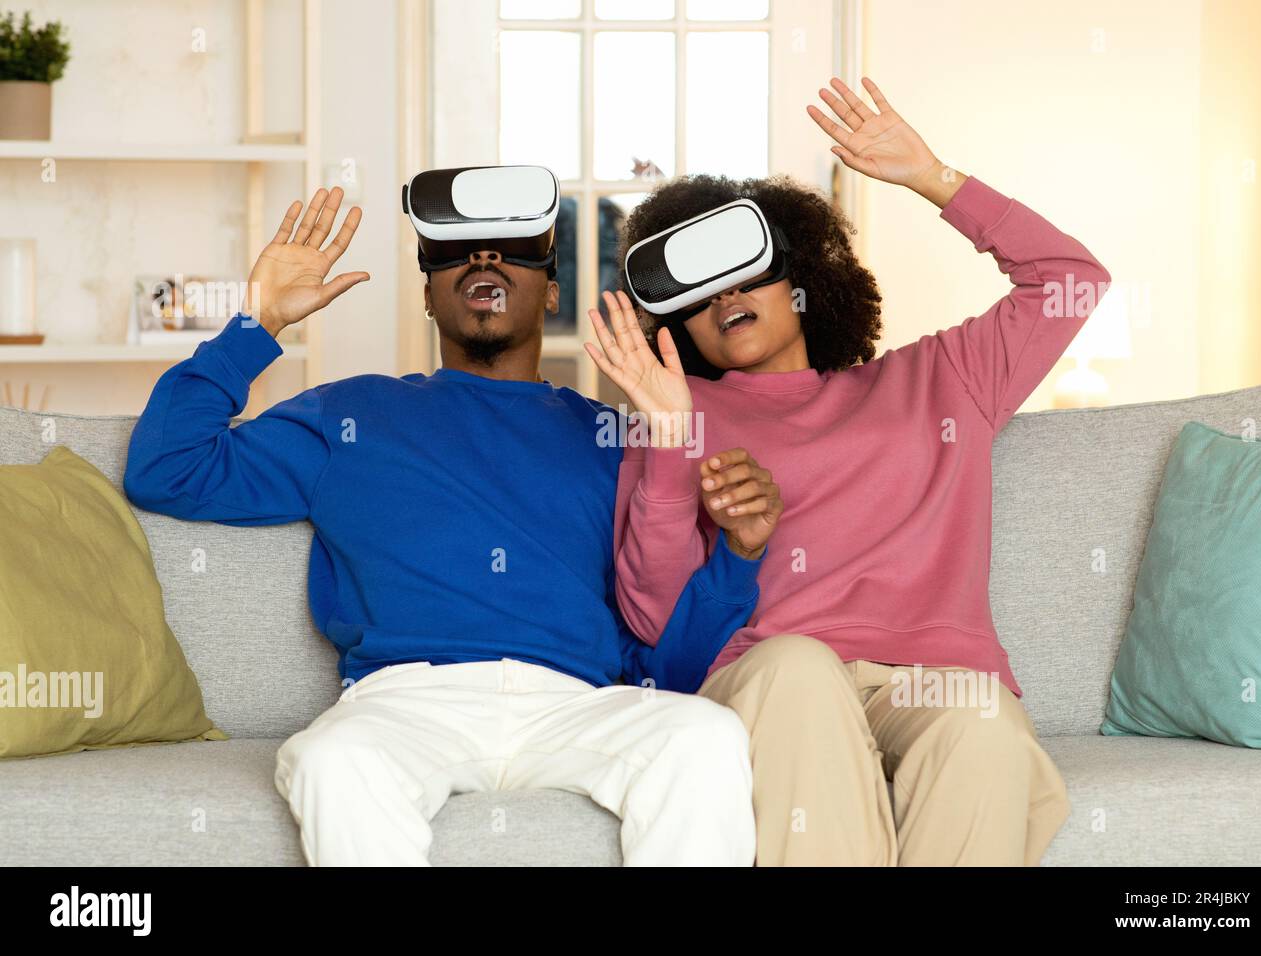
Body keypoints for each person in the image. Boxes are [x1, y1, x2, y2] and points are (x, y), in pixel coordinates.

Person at [124, 181, 776, 867]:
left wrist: (738, 555)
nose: (485, 257)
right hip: (409, 701)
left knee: (704, 735)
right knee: (332, 760)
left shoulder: (617, 440)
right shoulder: (351, 414)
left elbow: (662, 666)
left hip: (575, 704)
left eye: (516, 249)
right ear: (429, 294)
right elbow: (166, 467)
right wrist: (258, 322)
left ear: (551, 292)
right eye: (456, 250)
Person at [586, 76, 1111, 866]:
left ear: (801, 280)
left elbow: (1071, 282)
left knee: (980, 722)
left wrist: (933, 178)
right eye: (695, 292)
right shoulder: (674, 412)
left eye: (746, 267)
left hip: (929, 683)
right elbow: (655, 623)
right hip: (769, 682)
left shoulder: (940, 380)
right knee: (800, 669)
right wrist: (669, 438)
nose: (724, 294)